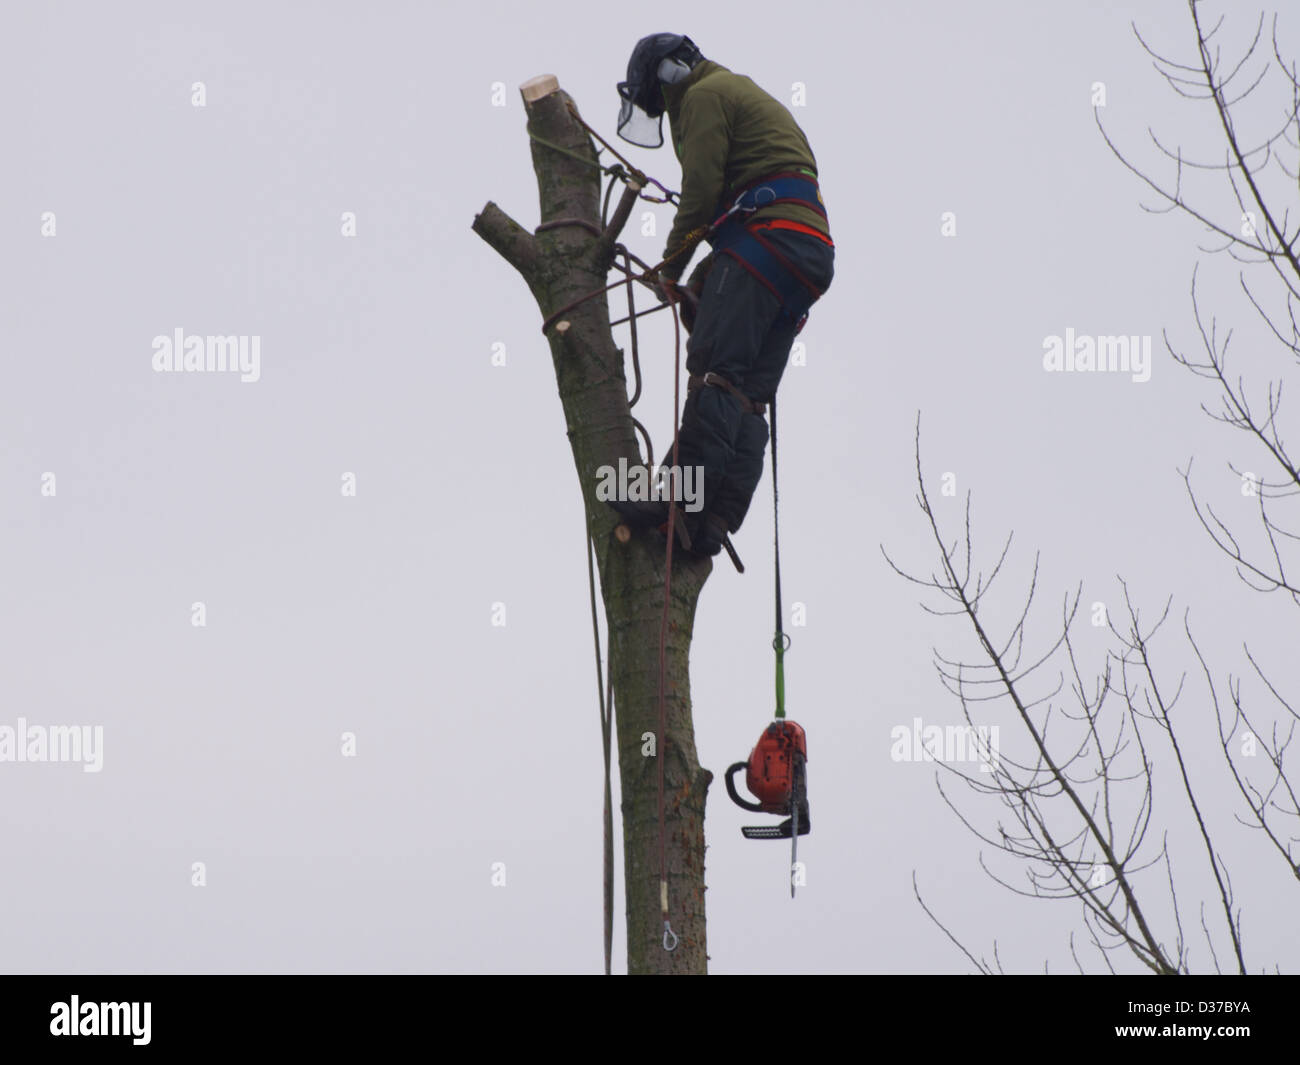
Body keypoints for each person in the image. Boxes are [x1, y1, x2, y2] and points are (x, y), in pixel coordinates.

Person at [608, 33, 835, 559]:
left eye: (657, 97)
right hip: (806, 256)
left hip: (766, 242)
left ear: (667, 76)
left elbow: (702, 196)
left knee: (714, 371)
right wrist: (703, 285)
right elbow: (737, 208)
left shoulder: (705, 98)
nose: (662, 110)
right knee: (749, 397)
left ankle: (675, 499)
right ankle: (714, 521)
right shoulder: (739, 90)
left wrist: (669, 268)